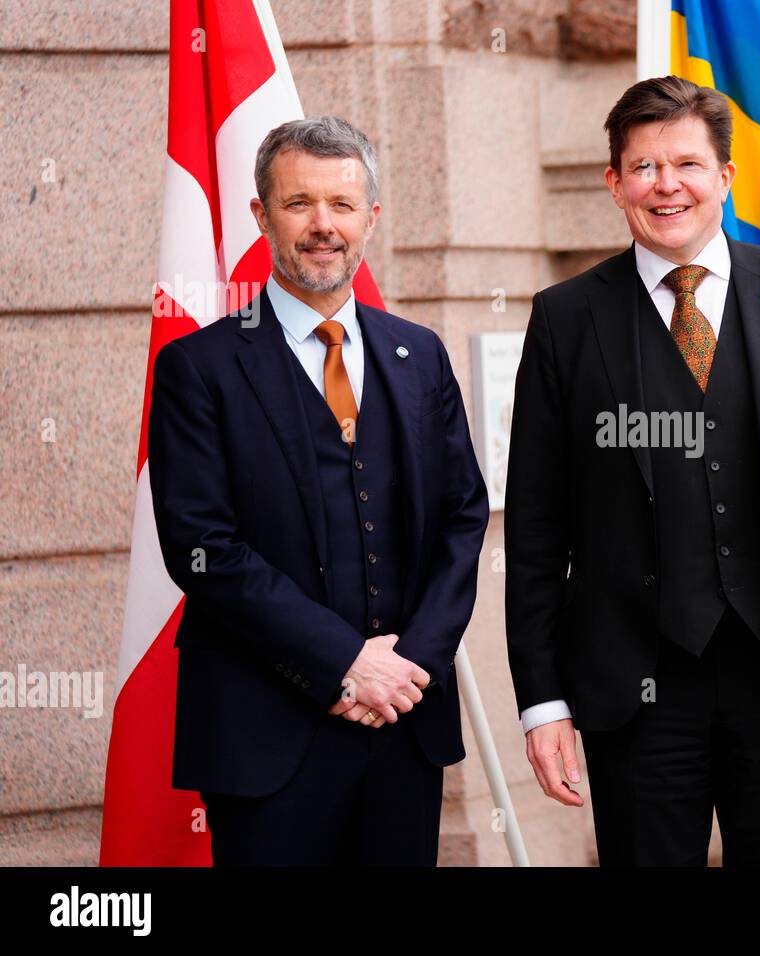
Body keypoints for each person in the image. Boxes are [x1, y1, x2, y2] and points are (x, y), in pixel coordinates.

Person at [504, 76, 760, 866]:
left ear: (726, 175)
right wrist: (542, 701)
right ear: (614, 183)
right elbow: (537, 528)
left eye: (686, 163)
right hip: (634, 689)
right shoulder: (566, 318)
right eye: (644, 167)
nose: (666, 185)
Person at [148, 116, 488, 865]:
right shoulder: (198, 367)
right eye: (300, 203)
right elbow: (202, 547)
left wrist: (403, 672)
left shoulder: (419, 355)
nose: (322, 226)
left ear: (370, 217)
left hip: (403, 720)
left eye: (341, 204)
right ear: (262, 216)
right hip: (264, 731)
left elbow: (462, 522)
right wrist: (343, 664)